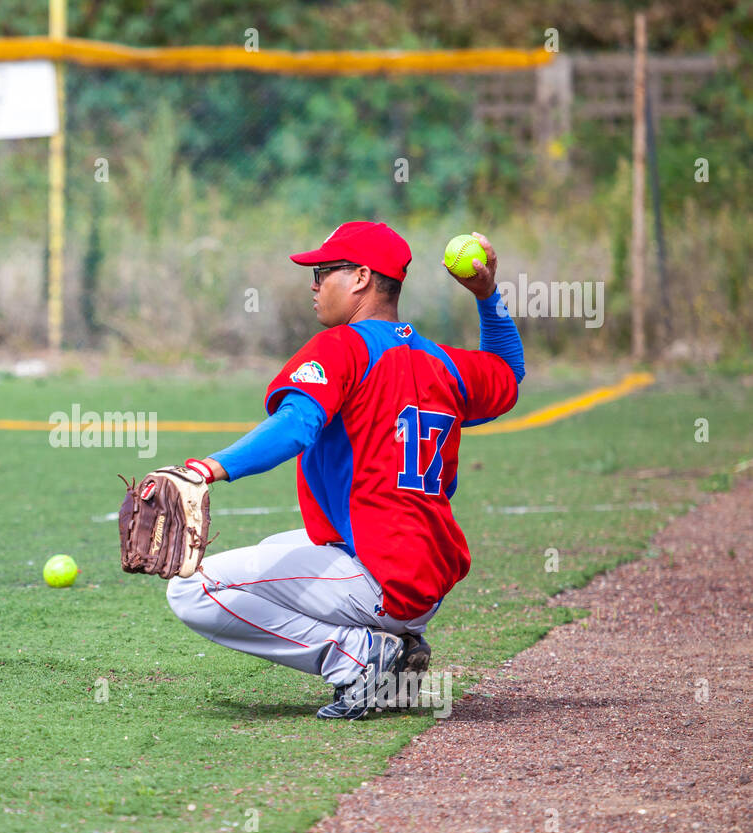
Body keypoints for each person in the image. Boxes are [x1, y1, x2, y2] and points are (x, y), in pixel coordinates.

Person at [166, 221, 524, 719]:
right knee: (276, 549)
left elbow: (295, 427)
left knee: (192, 589)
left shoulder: (343, 348)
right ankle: (396, 645)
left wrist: (207, 468)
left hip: (380, 576)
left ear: (360, 277)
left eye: (323, 271)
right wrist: (488, 296)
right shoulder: (443, 360)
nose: (314, 284)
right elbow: (508, 373)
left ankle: (357, 658)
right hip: (424, 574)